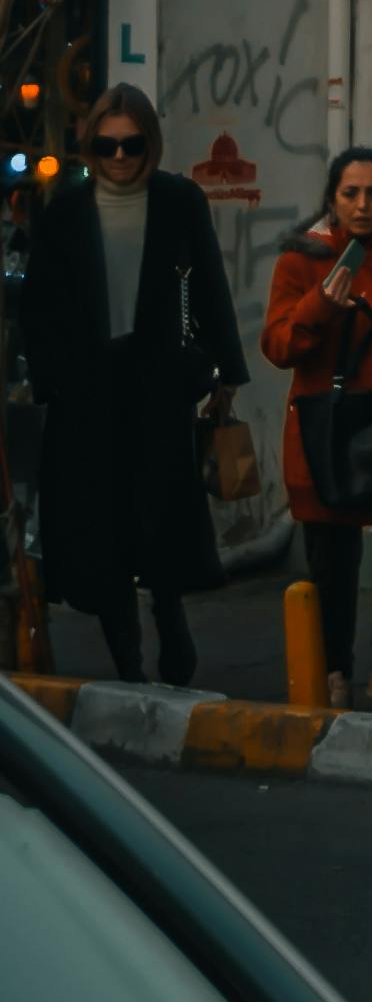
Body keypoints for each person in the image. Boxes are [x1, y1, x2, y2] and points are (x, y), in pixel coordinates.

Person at [19, 84, 246, 687]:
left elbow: (209, 288)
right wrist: (53, 382)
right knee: (102, 528)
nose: (120, 157)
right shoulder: (65, 209)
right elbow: (38, 305)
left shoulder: (178, 201)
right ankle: (127, 661)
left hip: (158, 385)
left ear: (150, 143)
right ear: (91, 144)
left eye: (132, 144)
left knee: (163, 518)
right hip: (88, 394)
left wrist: (225, 371)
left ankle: (172, 627)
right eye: (107, 144)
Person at [262, 146, 372, 711]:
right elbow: (279, 347)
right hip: (325, 429)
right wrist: (321, 305)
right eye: (351, 194)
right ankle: (334, 670)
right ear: (331, 199)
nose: (363, 205)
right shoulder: (302, 259)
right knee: (332, 561)